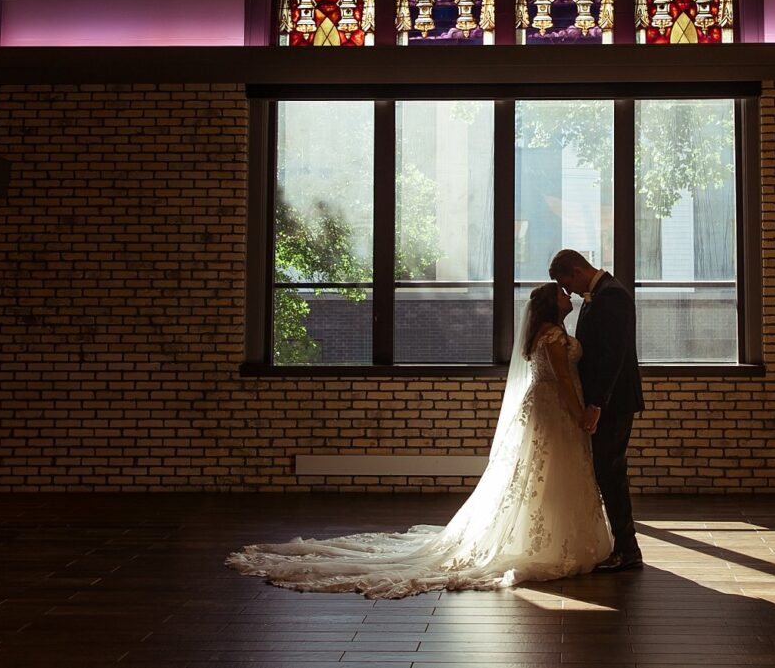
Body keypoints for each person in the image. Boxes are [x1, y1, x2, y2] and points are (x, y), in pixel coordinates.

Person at [224, 283, 612, 599]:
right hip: (555, 409)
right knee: (550, 474)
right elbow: (563, 380)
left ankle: (548, 535)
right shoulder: (553, 336)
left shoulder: (547, 333)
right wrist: (581, 413)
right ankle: (552, 541)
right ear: (551, 305)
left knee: (544, 477)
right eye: (561, 292)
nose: (568, 295)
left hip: (544, 408)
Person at [549, 248, 644, 571]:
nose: (570, 292)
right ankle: (624, 545)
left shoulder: (612, 296)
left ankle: (628, 549)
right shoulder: (600, 294)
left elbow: (612, 357)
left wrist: (595, 404)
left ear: (577, 271)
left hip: (613, 402)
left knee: (611, 472)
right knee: (606, 471)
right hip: (606, 400)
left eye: (568, 284)